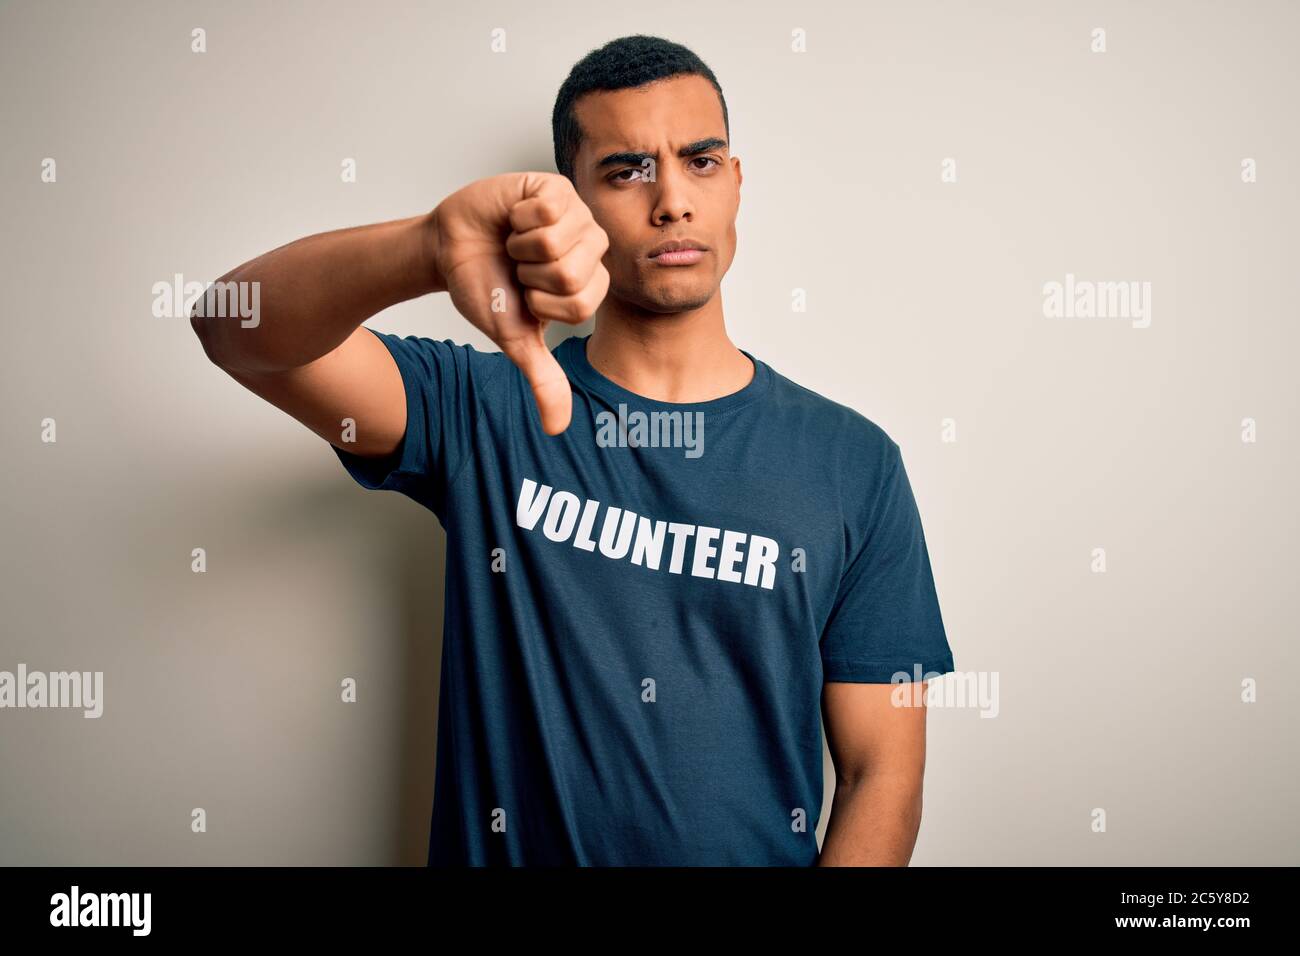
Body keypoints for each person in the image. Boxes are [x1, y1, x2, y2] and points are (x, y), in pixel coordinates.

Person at [191, 34, 955, 866]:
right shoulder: (480, 408)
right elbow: (233, 328)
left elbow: (884, 777)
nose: (671, 201)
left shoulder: (857, 464)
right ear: (573, 205)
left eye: (700, 161)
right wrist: (423, 247)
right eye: (627, 171)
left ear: (736, 183)